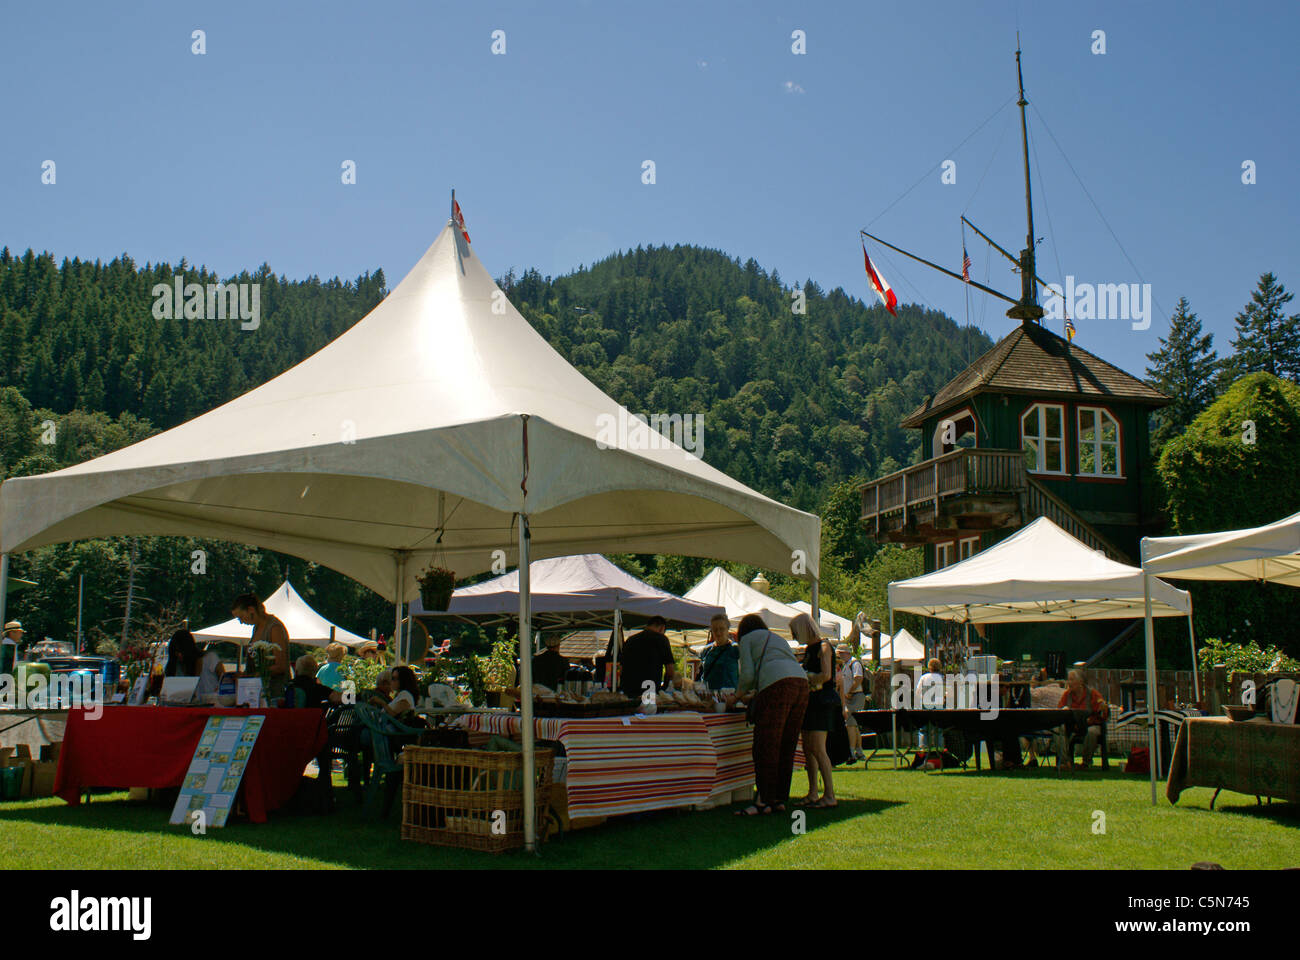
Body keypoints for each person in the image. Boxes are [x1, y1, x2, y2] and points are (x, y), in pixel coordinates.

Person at [727, 613, 808, 816]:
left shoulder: (746, 639)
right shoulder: (777, 639)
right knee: (786, 744)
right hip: (801, 684)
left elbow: (746, 675)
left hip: (777, 687)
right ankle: (779, 798)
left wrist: (735, 697)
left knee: (767, 743)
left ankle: (763, 799)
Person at [795, 613, 839, 808]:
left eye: (795, 632)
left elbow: (827, 675)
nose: (795, 636)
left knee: (818, 749)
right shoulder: (809, 650)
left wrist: (807, 677)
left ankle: (829, 794)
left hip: (822, 701)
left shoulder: (824, 646)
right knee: (808, 749)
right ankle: (813, 792)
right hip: (811, 701)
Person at [232, 592, 291, 702]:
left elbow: (281, 666)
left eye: (241, 617)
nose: (241, 622)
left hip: (274, 695)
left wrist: (255, 675)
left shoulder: (274, 627)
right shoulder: (256, 628)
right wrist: (244, 676)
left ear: (251, 610)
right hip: (256, 694)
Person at [1053, 669, 1108, 769]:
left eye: (1072, 680)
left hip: (1090, 724)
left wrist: (1103, 709)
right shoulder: (1066, 695)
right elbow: (1059, 712)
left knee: (1092, 732)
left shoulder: (1093, 694)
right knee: (1057, 729)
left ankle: (1086, 763)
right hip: (1072, 727)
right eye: (1068, 680)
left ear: (1081, 682)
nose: (1069, 682)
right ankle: (1065, 762)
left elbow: (1104, 712)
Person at [617, 615, 676, 702]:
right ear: (662, 628)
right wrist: (663, 688)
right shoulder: (661, 639)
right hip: (650, 690)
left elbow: (620, 669)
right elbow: (670, 670)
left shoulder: (630, 640)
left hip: (628, 690)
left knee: (630, 713)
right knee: (649, 713)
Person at [838, 643, 867, 762]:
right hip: (851, 696)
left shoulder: (854, 663)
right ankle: (859, 751)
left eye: (840, 653)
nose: (839, 655)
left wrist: (849, 692)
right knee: (854, 725)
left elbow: (858, 679)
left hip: (855, 696)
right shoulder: (846, 665)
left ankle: (851, 751)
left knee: (850, 724)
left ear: (846, 653)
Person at [916, 657, 946, 762]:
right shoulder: (942, 678)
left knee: (923, 729)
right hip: (938, 704)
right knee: (938, 729)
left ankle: (923, 748)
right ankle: (940, 749)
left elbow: (918, 692)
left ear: (929, 667)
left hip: (925, 703)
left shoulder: (924, 677)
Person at [700, 614, 739, 691]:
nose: (718, 633)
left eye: (721, 629)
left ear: (727, 629)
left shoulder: (736, 650)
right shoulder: (706, 651)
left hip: (729, 697)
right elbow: (701, 675)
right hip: (709, 697)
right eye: (715, 629)